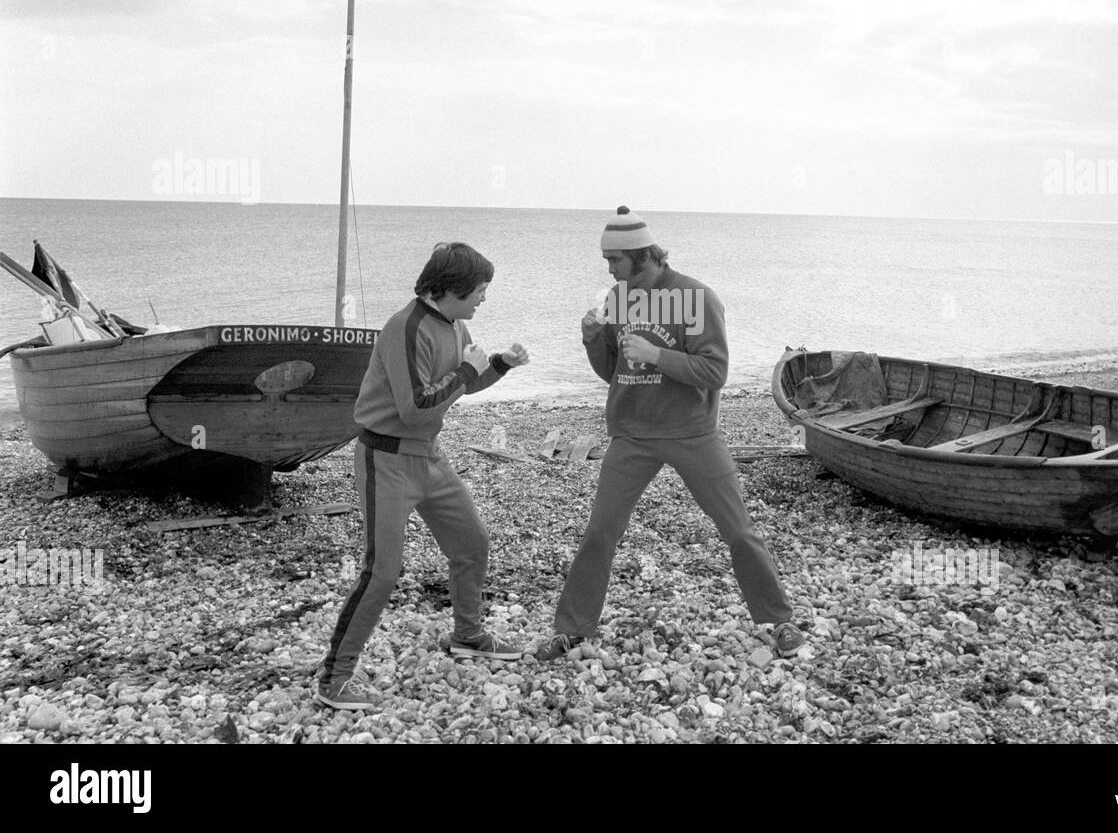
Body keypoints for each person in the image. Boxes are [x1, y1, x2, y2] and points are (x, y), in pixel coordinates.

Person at [535, 207, 804, 661]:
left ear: (642, 256)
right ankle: (571, 630)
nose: (609, 270)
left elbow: (715, 372)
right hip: (632, 435)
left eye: (615, 261)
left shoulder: (697, 298)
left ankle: (780, 622)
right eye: (606, 261)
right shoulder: (618, 300)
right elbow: (614, 374)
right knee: (600, 532)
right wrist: (592, 339)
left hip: (692, 433)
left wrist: (657, 355)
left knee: (737, 530)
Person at [316, 241, 530, 711]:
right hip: (386, 460)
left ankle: (469, 636)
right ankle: (335, 678)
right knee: (381, 573)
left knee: (472, 543)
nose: (483, 300)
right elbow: (415, 409)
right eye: (479, 291)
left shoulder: (454, 323)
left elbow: (456, 386)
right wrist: (467, 372)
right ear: (450, 288)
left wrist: (496, 367)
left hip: (428, 457)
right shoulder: (406, 328)